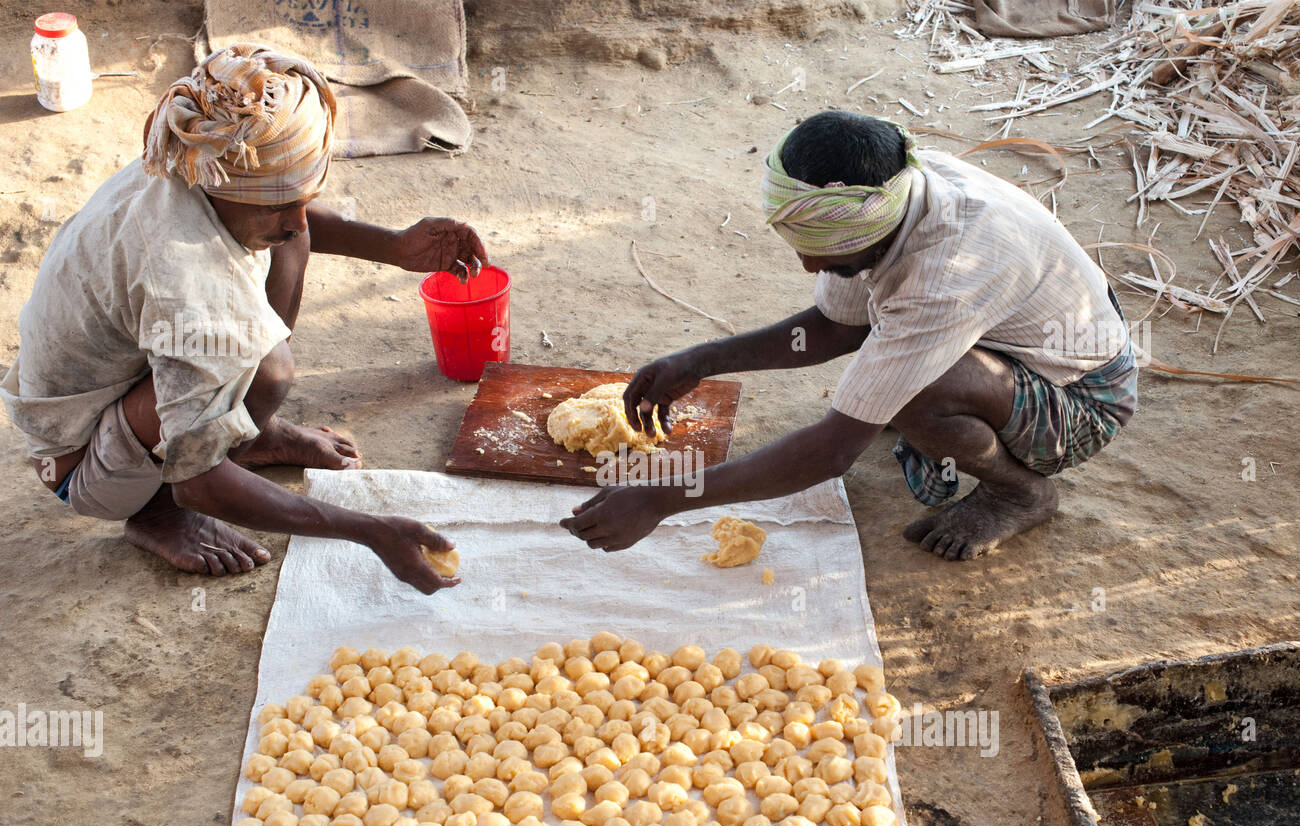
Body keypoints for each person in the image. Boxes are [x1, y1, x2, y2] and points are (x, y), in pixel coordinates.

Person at [2, 44, 485, 591]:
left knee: (284, 264)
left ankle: (247, 436)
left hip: (129, 376)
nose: (297, 220)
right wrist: (370, 531)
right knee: (250, 374)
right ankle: (154, 513)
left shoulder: (197, 154)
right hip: (82, 462)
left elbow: (287, 214)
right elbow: (199, 483)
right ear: (227, 190)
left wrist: (396, 246)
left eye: (304, 197)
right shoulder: (184, 281)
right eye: (280, 204)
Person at [562, 110, 1137, 561]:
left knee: (917, 391)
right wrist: (700, 361)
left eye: (825, 254)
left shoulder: (947, 273)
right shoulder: (893, 190)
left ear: (868, 227)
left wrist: (665, 498)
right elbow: (837, 328)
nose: (810, 269)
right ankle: (940, 413)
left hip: (1083, 400)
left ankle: (1020, 491)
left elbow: (833, 451)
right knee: (889, 365)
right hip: (1013, 353)